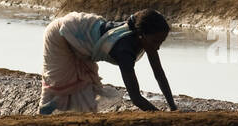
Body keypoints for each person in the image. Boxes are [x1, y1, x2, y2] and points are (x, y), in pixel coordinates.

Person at [38, 8, 176, 114]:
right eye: (155, 41)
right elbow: (135, 97)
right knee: (58, 82)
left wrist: (173, 108)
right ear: (142, 35)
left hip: (82, 38)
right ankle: (41, 115)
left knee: (85, 88)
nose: (157, 46)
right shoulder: (124, 50)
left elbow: (159, 74)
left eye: (161, 42)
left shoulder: (146, 41)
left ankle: (62, 115)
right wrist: (159, 115)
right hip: (61, 34)